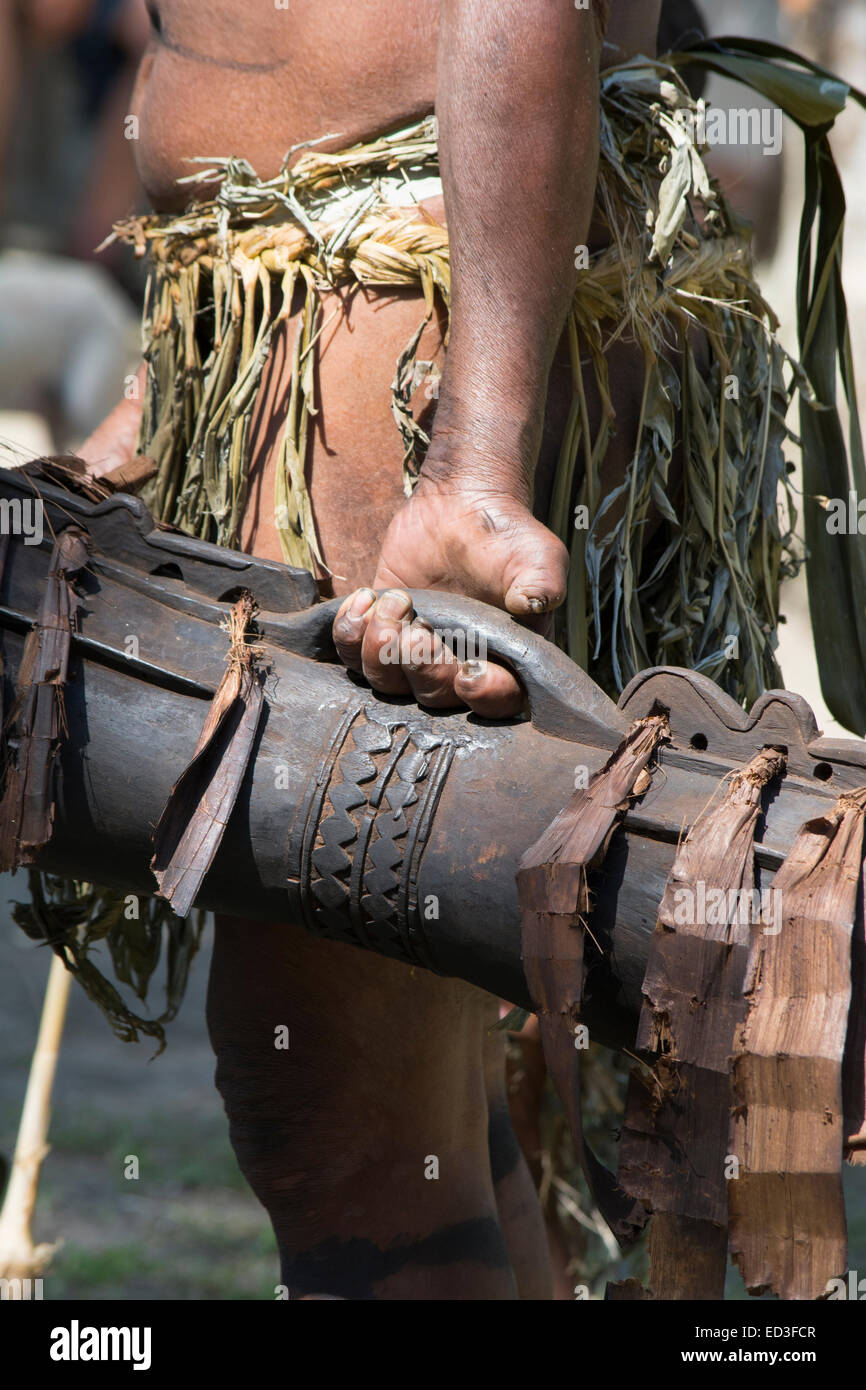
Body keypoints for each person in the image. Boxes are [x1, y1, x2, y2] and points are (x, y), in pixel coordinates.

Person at [75, 0, 808, 1298]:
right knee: (431, 1107)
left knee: (346, 1133)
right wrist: (179, 365)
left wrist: (473, 455)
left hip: (398, 314)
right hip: (401, 284)